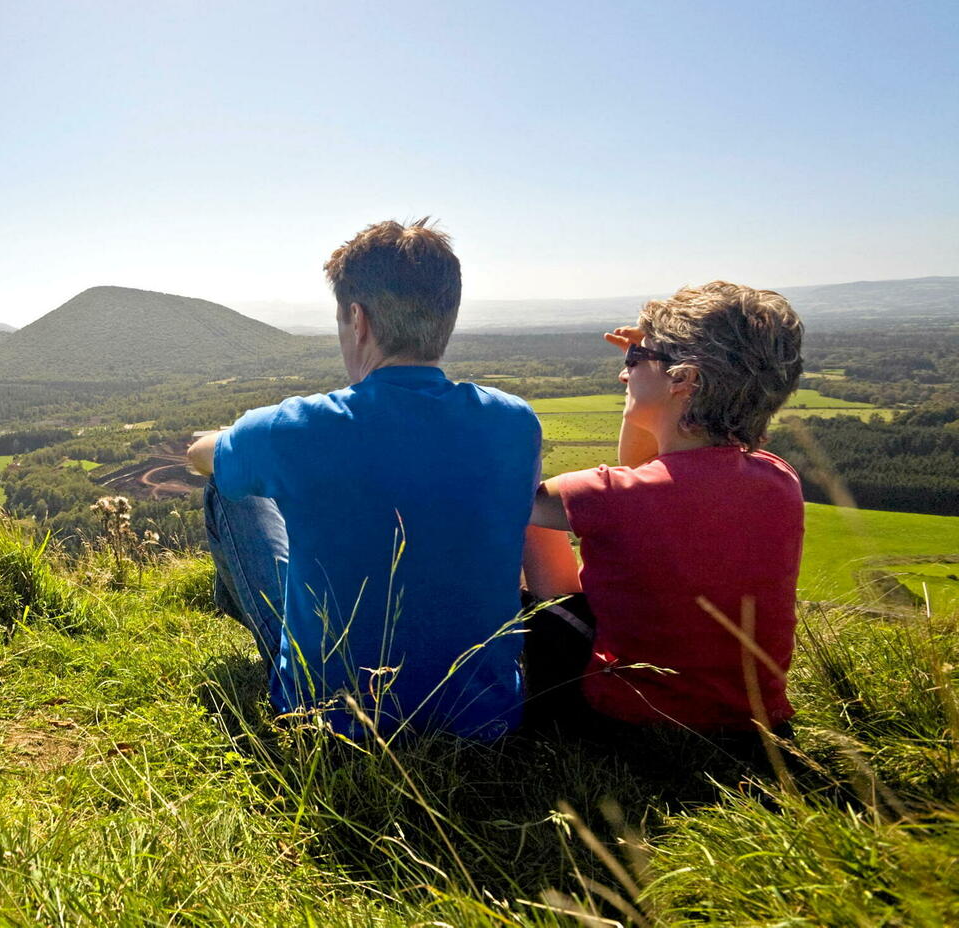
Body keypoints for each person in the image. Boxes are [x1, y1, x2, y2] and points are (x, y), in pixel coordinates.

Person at [188, 219, 541, 739]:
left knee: (229, 482)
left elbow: (201, 457)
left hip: (330, 712)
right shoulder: (515, 421)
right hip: (482, 716)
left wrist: (228, 438)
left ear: (358, 319)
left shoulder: (296, 427)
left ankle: (259, 627)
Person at [524, 281, 805, 735]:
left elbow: (520, 505)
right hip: (751, 720)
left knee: (528, 529)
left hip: (625, 717)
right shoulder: (779, 479)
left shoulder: (605, 496)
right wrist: (649, 370)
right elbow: (651, 471)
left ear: (683, 380)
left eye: (634, 361)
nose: (624, 375)